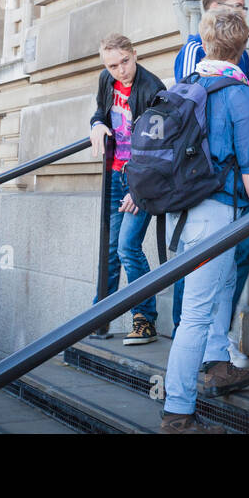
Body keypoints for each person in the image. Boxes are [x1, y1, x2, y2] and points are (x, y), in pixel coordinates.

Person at [150, 9, 249, 432]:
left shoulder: (185, 87)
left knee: (216, 293)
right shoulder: (240, 94)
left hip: (180, 214)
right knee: (195, 315)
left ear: (204, 43)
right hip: (216, 215)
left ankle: (219, 367)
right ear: (242, 48)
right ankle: (178, 413)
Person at [170, 0, 249, 347]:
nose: (244, 13)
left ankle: (217, 343)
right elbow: (187, 110)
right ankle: (191, 342)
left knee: (236, 260)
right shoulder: (194, 50)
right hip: (204, 184)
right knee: (195, 280)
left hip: (234, 185)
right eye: (238, 6)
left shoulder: (241, 52)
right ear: (216, 9)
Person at [89, 33, 165, 344]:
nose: (121, 70)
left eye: (125, 61)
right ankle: (101, 316)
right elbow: (100, 112)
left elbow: (160, 147)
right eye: (113, 65)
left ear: (134, 54)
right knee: (110, 249)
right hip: (114, 176)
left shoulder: (153, 88)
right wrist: (96, 124)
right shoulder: (106, 81)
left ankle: (145, 320)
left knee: (127, 247)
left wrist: (138, 189)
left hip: (141, 181)